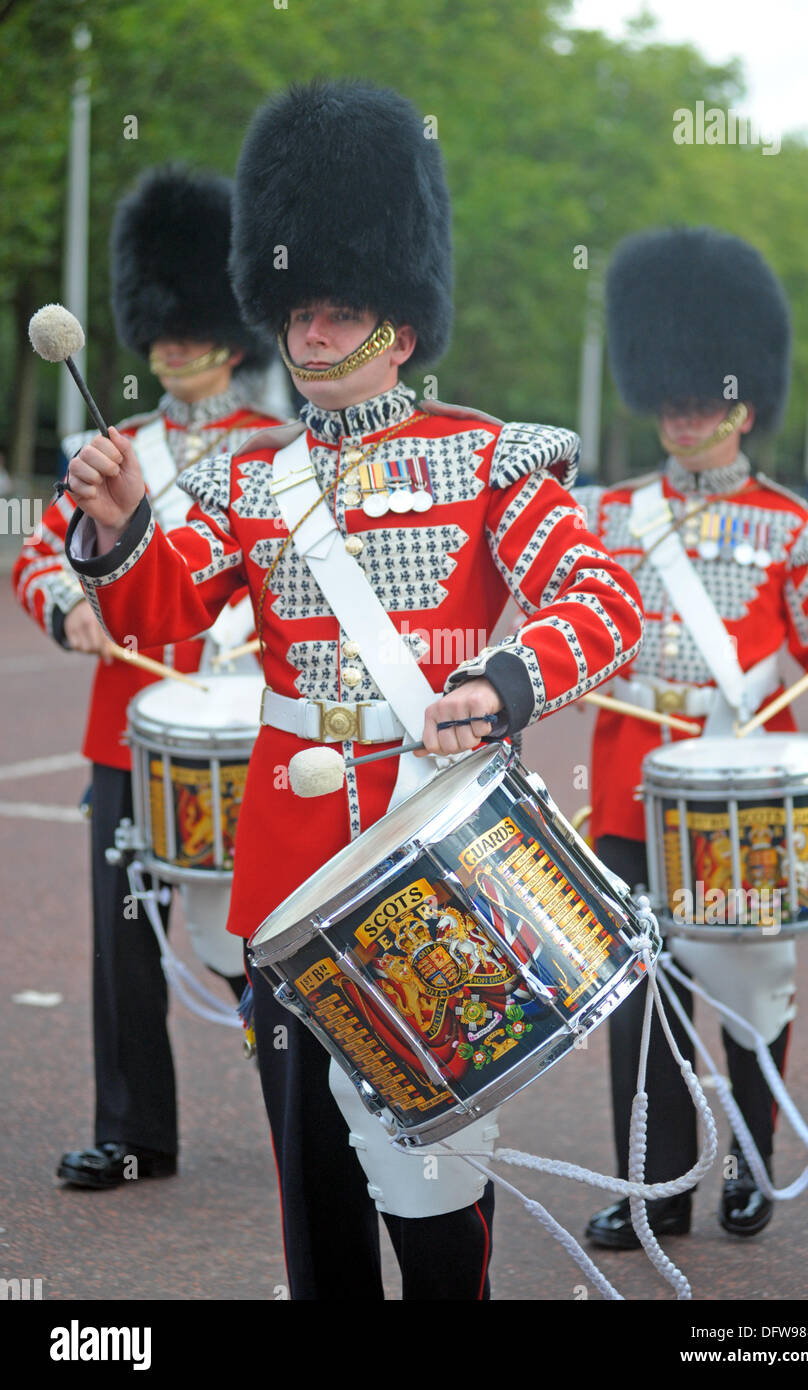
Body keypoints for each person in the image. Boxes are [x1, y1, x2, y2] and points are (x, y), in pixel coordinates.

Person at [61, 80, 643, 1299]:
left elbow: (603, 603)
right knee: (314, 1183)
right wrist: (115, 529)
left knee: (431, 1186)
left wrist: (502, 679)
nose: (311, 337)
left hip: (434, 858)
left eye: (338, 314)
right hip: (290, 870)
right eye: (297, 314)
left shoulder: (496, 457)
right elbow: (164, 615)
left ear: (403, 325)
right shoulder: (247, 479)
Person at [575, 226, 808, 1248]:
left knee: (749, 992)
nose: (681, 414)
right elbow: (568, 632)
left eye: (700, 399)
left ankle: (750, 1160)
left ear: (741, 407)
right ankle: (654, 1189)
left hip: (742, 794)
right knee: (641, 1000)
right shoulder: (607, 519)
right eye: (671, 397)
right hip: (628, 790)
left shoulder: (795, 530)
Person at [13, 165, 285, 1190]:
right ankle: (133, 1131)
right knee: (124, 943)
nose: (172, 344)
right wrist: (71, 603)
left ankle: (299, 1103)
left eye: (192, 323)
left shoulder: (278, 452)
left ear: (231, 330)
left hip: (244, 724)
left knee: (252, 934)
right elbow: (40, 552)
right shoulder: (109, 447)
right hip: (125, 728)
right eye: (160, 326)